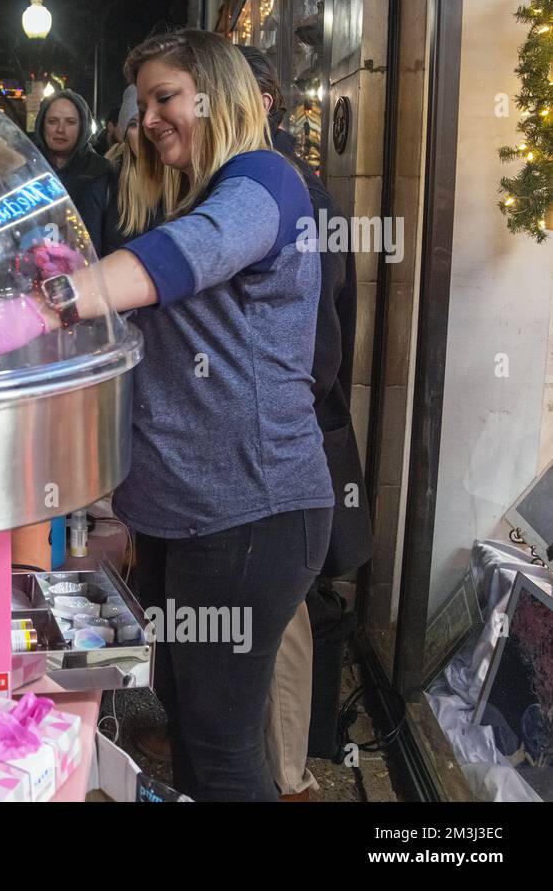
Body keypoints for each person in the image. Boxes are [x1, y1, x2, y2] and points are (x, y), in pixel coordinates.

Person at [0, 28, 333, 801]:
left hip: (251, 511)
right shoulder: (191, 194)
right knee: (186, 716)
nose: (150, 117)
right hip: (181, 512)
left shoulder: (264, 182)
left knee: (221, 746)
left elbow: (190, 256)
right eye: (143, 102)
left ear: (220, 95)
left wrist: (45, 307)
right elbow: (157, 318)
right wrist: (72, 280)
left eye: (167, 97)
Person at [238, 44, 373, 800]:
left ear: (259, 100)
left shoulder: (291, 189)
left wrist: (276, 418)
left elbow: (321, 335)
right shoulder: (240, 181)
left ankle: (287, 772)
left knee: (283, 611)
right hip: (260, 437)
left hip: (281, 438)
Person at [32, 90, 111, 251]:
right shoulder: (26, 171)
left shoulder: (103, 172)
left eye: (70, 122)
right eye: (53, 121)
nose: (60, 129)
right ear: (42, 124)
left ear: (82, 127)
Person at [101, 84, 153, 254]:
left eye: (148, 120)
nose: (144, 133)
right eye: (133, 124)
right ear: (125, 137)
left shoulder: (191, 184)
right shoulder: (107, 183)